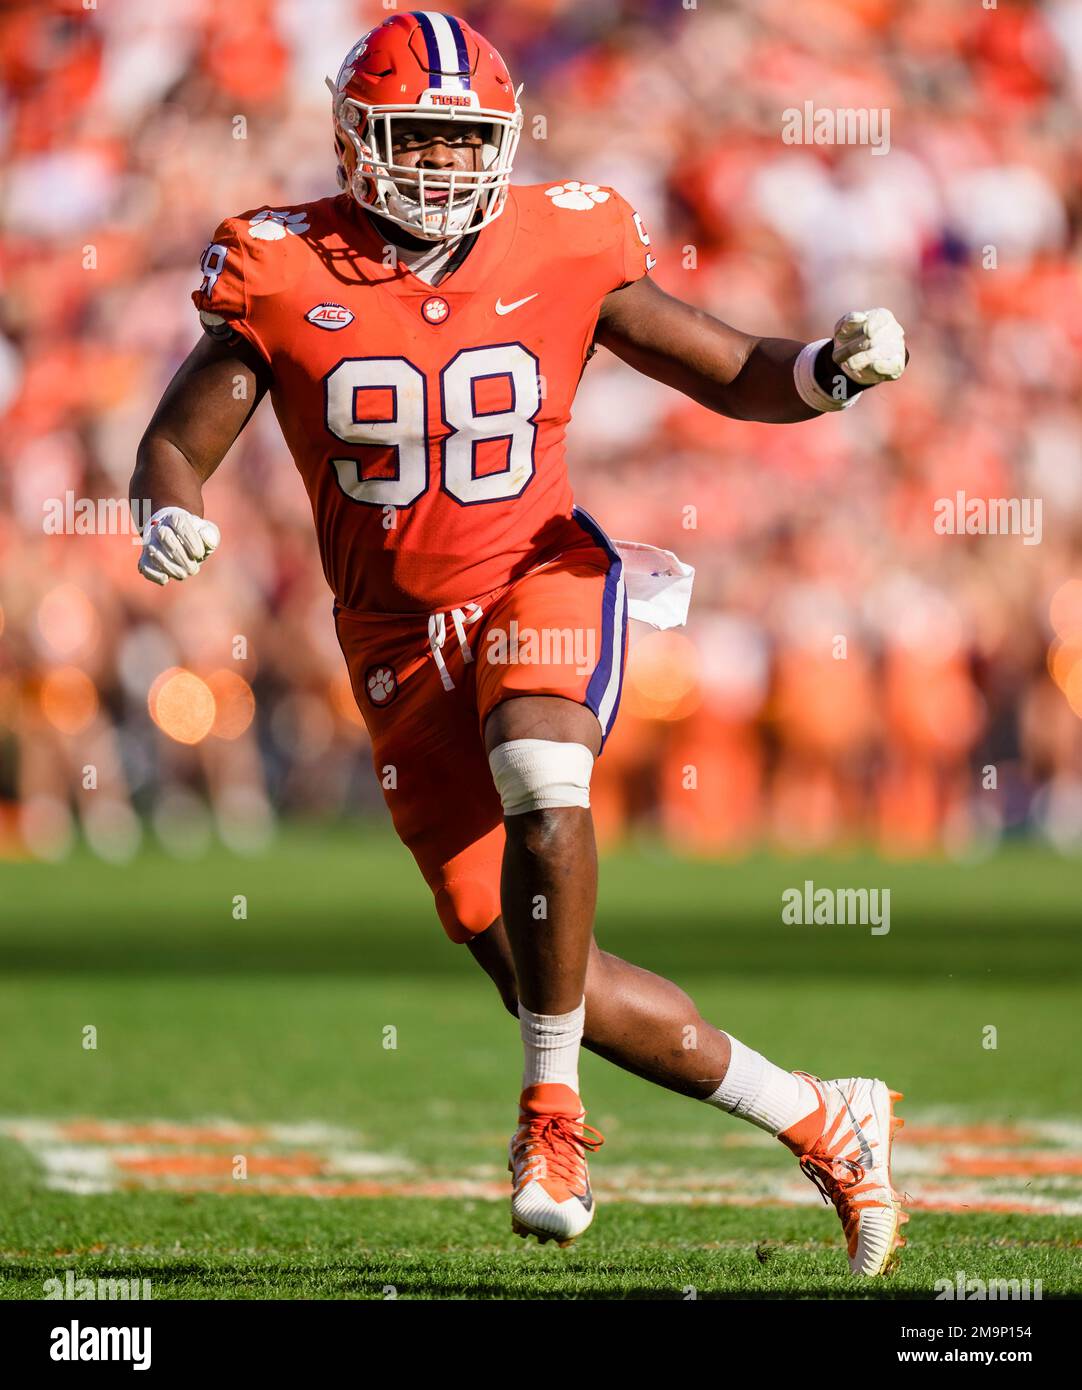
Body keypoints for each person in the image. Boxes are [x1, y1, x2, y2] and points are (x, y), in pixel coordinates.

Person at [131, 10, 909, 1274]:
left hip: (538, 573)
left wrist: (822, 368)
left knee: (543, 774)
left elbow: (721, 368)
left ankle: (549, 1121)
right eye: (417, 136)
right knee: (550, 972)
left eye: (461, 138)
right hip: (389, 636)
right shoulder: (279, 267)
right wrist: (166, 503)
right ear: (354, 138)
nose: (440, 163)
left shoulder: (562, 237)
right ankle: (827, 1114)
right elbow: (180, 434)